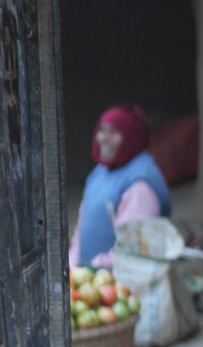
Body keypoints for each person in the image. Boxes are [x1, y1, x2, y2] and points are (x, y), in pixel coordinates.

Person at [69, 103, 171, 269]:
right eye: (101, 130)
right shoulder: (100, 172)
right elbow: (82, 226)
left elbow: (133, 250)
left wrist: (92, 269)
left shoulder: (141, 184)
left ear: (133, 137)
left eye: (114, 132)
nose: (103, 138)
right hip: (92, 281)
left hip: (124, 287)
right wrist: (72, 264)